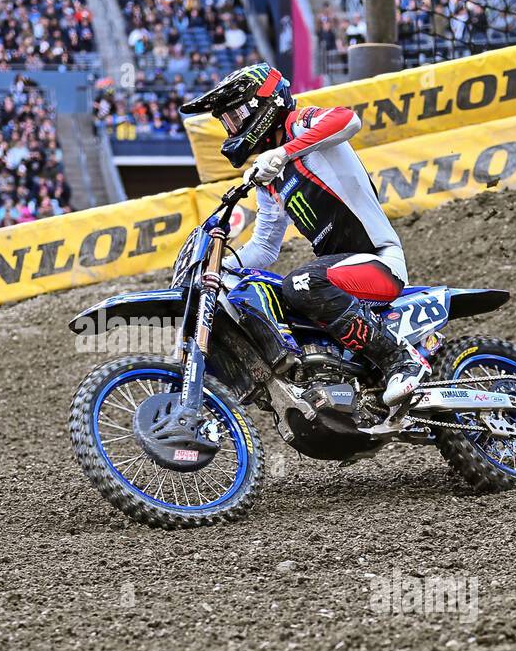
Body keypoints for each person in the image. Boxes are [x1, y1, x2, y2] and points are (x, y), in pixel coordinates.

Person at [180, 63, 427, 406]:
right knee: (259, 291)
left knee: (300, 282)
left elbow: (347, 119)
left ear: (261, 104)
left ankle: (400, 360)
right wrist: (219, 271)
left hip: (380, 261)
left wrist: (283, 153)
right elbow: (265, 249)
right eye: (227, 122)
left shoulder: (300, 123)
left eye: (235, 116)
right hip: (340, 273)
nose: (232, 128)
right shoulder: (269, 180)